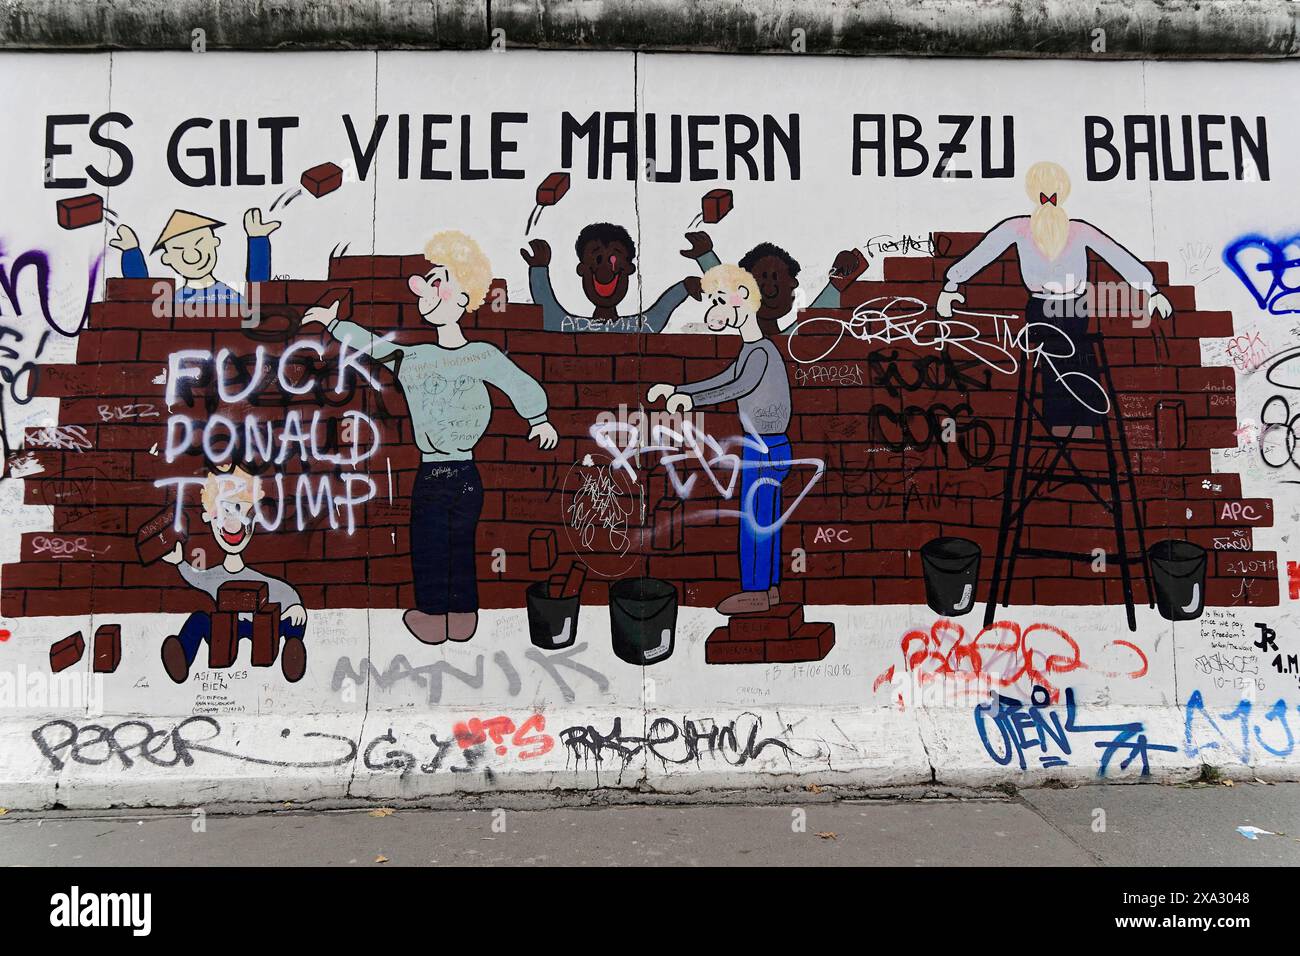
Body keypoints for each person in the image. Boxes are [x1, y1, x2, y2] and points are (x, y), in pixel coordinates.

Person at [304, 230, 558, 644]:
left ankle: (458, 615)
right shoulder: (413, 356)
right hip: (435, 469)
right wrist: (333, 323)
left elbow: (519, 383)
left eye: (441, 278)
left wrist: (539, 418)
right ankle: (438, 614)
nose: (426, 286)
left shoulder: (481, 354)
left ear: (463, 299)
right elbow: (371, 345)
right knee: (429, 544)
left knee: (457, 543)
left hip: (459, 469)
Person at [936, 161, 1174, 437]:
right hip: (1068, 308)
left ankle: (1069, 425)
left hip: (1048, 309)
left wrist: (951, 283)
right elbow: (1118, 257)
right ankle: (1076, 425)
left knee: (1062, 360)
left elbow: (983, 252)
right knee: (1070, 359)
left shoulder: (1023, 228)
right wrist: (1151, 288)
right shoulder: (1063, 229)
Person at [646, 264, 793, 615]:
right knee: (766, 519)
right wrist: (680, 390)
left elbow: (738, 386)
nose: (713, 308)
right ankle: (769, 589)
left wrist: (692, 400)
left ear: (741, 297)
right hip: (769, 445)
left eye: (717, 298)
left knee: (755, 521)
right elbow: (725, 377)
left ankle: (756, 591)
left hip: (765, 447)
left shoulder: (760, 352)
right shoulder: (752, 350)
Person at [160, 466, 308, 683]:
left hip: (263, 625)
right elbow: (197, 578)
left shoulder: (256, 578)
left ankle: (292, 650)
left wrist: (294, 605)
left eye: (240, 509)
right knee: (200, 620)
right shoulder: (214, 578)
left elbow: (278, 588)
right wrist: (179, 562)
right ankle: (183, 653)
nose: (232, 521)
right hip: (224, 629)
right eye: (223, 511)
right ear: (208, 517)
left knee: (292, 621)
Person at [522, 222, 702, 333]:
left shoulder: (635, 327)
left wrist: (684, 288)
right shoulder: (571, 326)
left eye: (614, 260)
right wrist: (538, 270)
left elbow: (656, 318)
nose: (606, 269)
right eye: (598, 259)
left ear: (629, 269)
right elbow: (552, 317)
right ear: (582, 269)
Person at [681, 232, 864, 337]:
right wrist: (705, 258)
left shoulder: (790, 339)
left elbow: (808, 324)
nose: (768, 289)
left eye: (776, 280)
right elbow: (728, 293)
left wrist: (839, 280)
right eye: (761, 282)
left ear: (792, 287)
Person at [108, 207, 280, 306]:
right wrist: (131, 253)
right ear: (166, 258)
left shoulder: (230, 297)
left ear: (215, 242)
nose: (191, 254)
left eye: (199, 242)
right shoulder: (174, 302)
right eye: (179, 248)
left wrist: (258, 240)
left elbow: (258, 299)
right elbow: (142, 303)